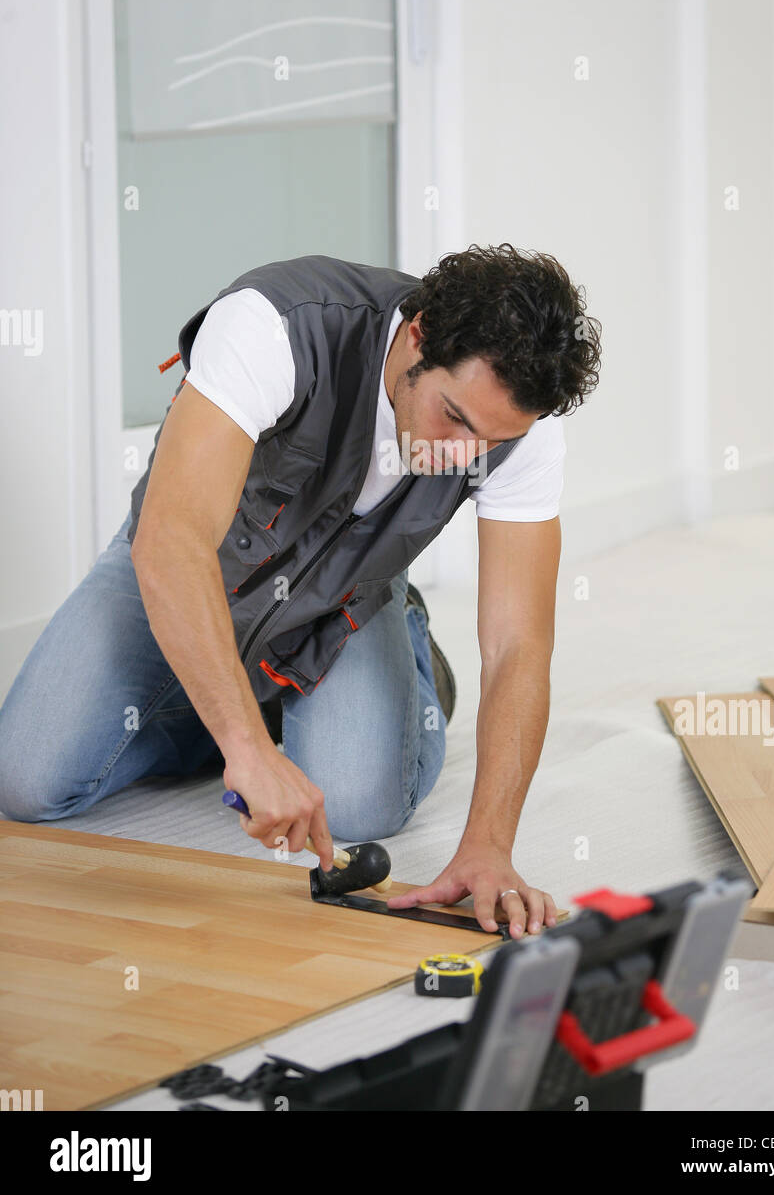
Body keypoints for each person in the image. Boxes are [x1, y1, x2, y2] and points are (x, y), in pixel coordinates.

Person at [0, 243, 600, 938]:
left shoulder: (522, 428)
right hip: (184, 567)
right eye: (456, 419)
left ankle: (412, 662)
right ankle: (238, 709)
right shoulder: (277, 324)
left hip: (344, 601)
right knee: (26, 782)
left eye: (489, 442)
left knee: (360, 805)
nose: (461, 456)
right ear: (420, 334)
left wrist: (490, 846)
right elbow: (170, 541)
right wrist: (246, 749)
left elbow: (517, 643)